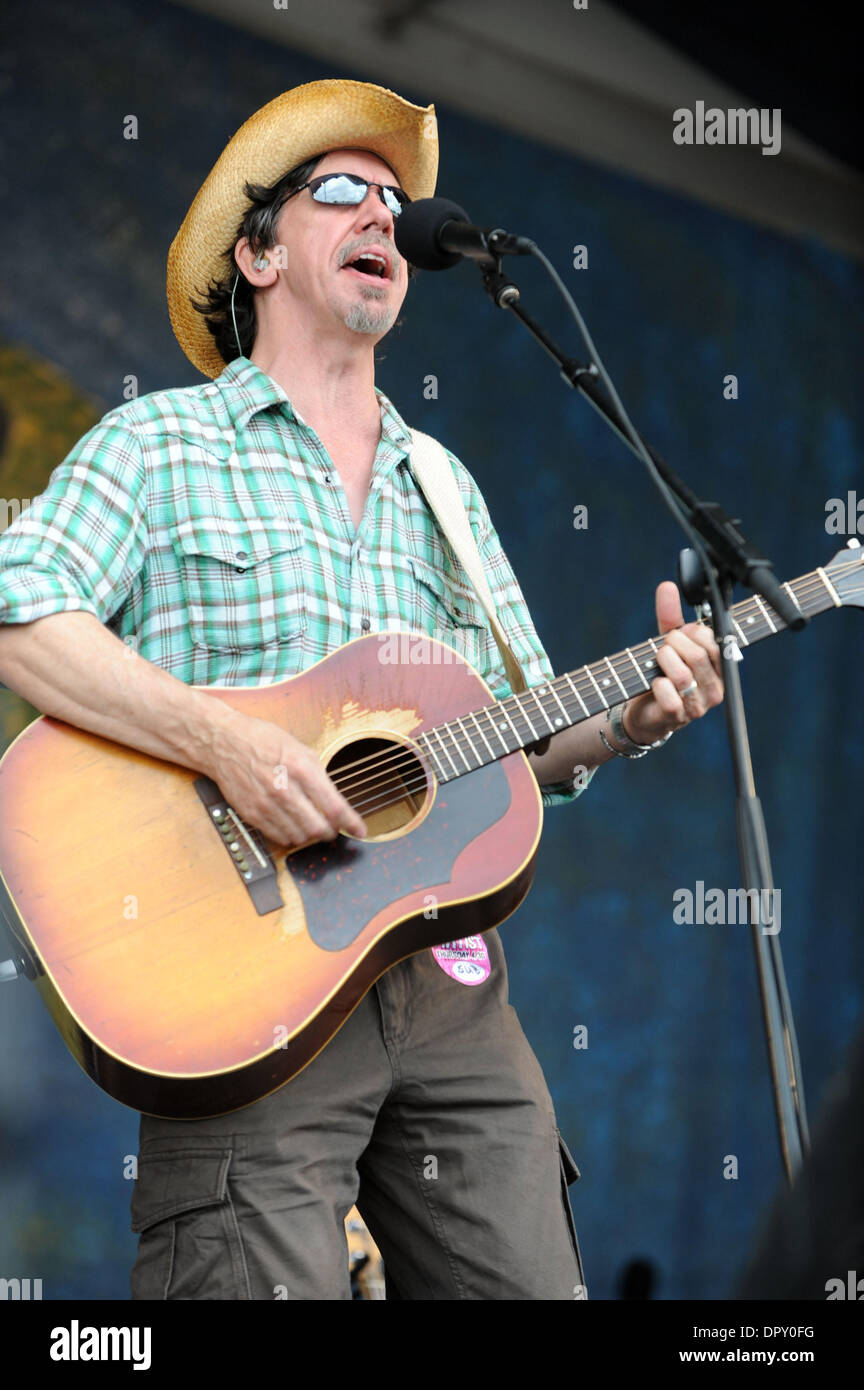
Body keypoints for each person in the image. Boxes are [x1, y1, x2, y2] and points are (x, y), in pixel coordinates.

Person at [0, 78, 723, 1299]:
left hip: (446, 986)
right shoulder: (161, 442)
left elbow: (517, 733)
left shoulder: (441, 481)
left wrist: (633, 715)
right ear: (258, 251)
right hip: (240, 980)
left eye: (396, 201)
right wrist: (227, 748)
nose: (385, 217)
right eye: (344, 192)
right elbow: (21, 616)